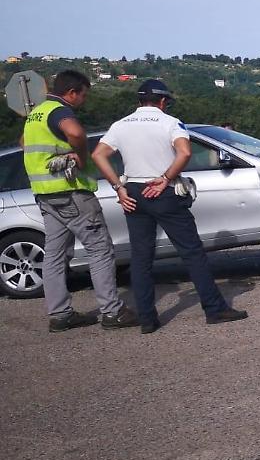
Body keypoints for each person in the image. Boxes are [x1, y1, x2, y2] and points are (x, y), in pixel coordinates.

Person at [91, 79, 247, 334]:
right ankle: (215, 309)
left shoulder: (120, 125)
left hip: (133, 192)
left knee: (141, 258)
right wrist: (165, 178)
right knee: (192, 252)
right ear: (163, 101)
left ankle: (147, 320)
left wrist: (118, 187)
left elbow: (98, 154)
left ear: (139, 101)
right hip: (163, 191)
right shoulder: (170, 123)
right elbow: (184, 153)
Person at [21, 70, 138, 332]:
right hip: (72, 191)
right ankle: (112, 312)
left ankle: (60, 314)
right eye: (83, 95)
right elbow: (76, 133)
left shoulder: (36, 114)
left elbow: (22, 142)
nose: (84, 100)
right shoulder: (59, 111)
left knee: (54, 255)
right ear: (71, 92)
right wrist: (81, 156)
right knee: (99, 250)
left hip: (46, 194)